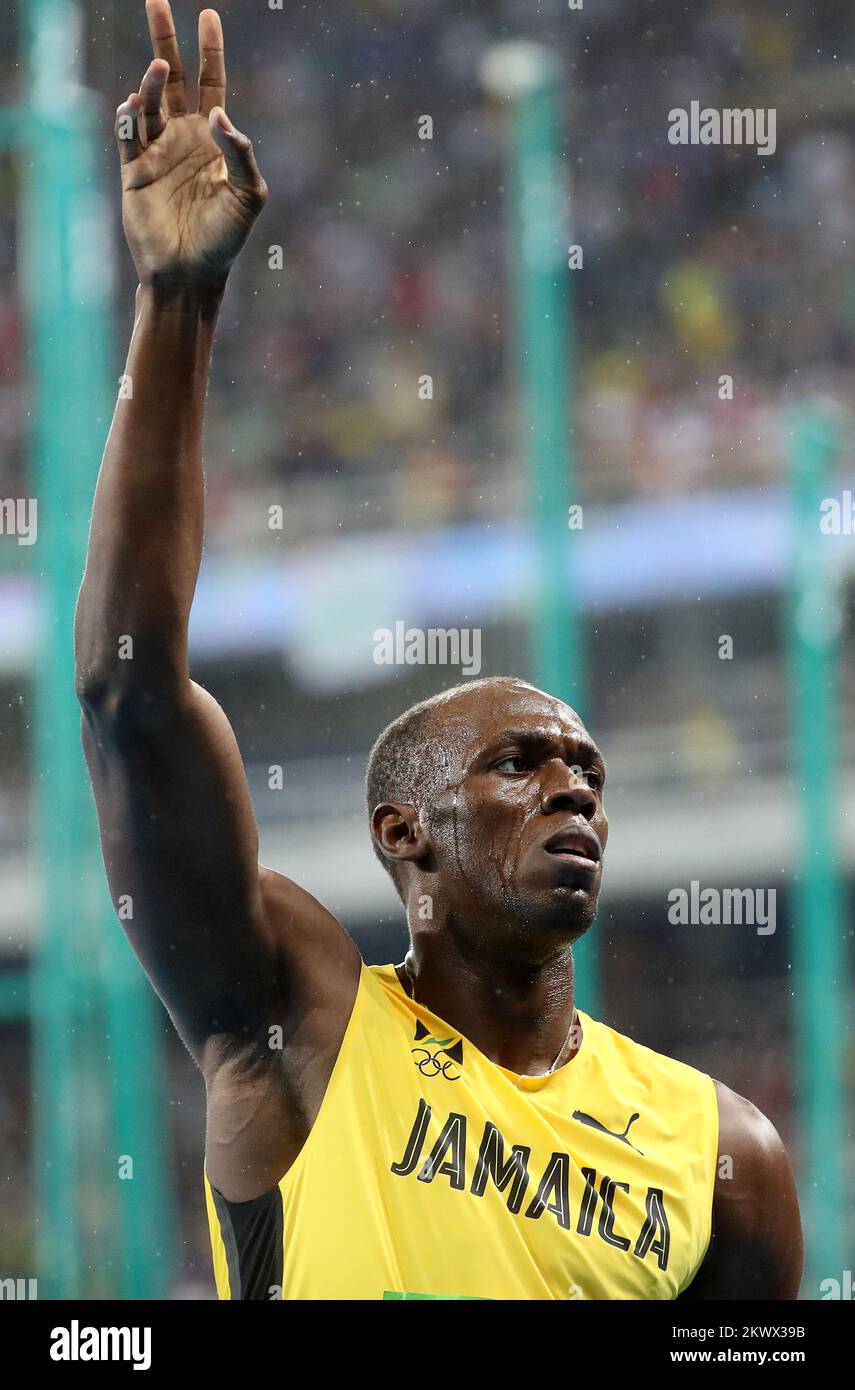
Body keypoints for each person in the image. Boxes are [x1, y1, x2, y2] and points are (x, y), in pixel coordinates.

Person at [74, 0, 802, 1301]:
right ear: (402, 830)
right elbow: (130, 692)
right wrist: (178, 301)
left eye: (585, 769)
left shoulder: (727, 1156)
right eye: (519, 763)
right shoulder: (296, 1016)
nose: (573, 786)